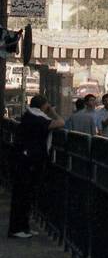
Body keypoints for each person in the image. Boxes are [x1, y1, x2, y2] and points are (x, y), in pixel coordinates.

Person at [8, 95, 64, 237]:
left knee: (23, 195)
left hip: (24, 159)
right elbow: (60, 122)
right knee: (24, 195)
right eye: (46, 105)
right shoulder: (38, 119)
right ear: (43, 106)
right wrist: (52, 112)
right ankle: (17, 229)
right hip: (30, 161)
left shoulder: (29, 116)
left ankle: (23, 227)